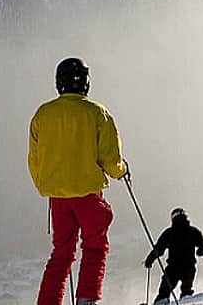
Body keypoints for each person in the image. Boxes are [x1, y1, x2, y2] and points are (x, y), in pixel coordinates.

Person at [29, 57, 129, 305]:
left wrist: (46, 184)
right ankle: (87, 300)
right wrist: (122, 171)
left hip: (58, 199)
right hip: (88, 195)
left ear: (58, 83)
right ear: (86, 83)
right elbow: (109, 158)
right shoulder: (97, 113)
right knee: (95, 246)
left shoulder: (43, 114)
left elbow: (35, 159)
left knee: (61, 253)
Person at [144, 208, 203, 302]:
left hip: (173, 268)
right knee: (186, 291)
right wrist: (201, 252)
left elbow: (159, 249)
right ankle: (186, 302)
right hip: (189, 267)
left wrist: (150, 260)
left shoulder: (169, 233)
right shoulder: (193, 231)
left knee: (164, 293)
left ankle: (162, 303)